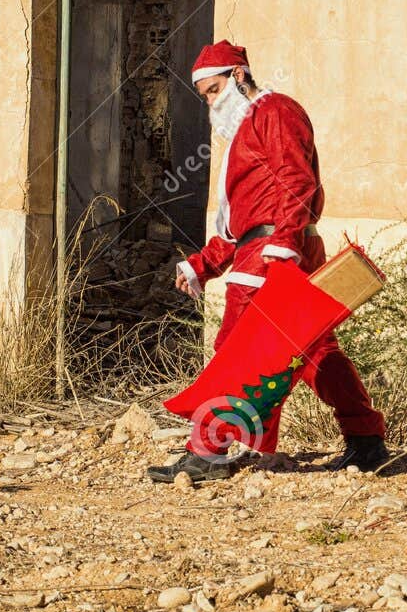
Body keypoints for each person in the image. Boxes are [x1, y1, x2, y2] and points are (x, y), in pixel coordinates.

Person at [147, 40, 388, 483]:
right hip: (266, 249)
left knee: (235, 352)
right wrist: (202, 264)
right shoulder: (248, 127)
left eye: (215, 90)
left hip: (273, 255)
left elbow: (297, 181)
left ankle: (208, 452)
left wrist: (284, 246)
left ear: (239, 76)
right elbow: (242, 223)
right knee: (315, 353)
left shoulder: (275, 111)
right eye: (205, 96)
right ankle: (367, 439)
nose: (211, 104)